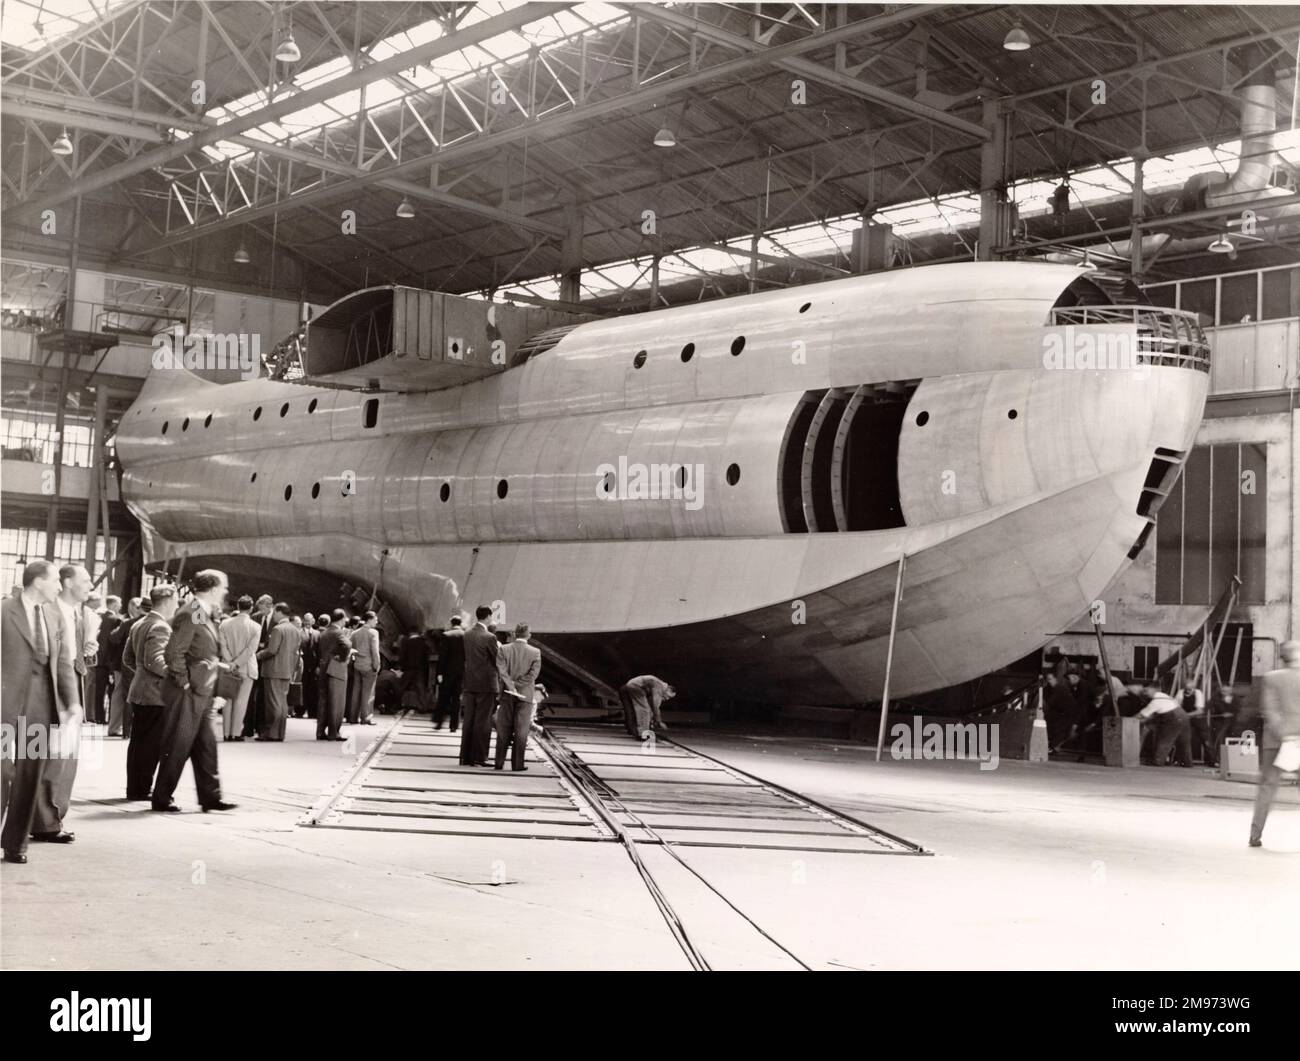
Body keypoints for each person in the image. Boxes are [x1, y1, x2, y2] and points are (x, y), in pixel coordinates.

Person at [2, 561, 80, 864]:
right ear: (37, 582)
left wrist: (71, 701)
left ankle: (15, 844)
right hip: (4, 706)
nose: (60, 587)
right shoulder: (4, 611)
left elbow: (62, 664)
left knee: (29, 776)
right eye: (54, 581)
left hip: (38, 706)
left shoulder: (54, 615)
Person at [151, 570, 237, 813]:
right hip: (187, 693)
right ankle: (162, 798)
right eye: (224, 587)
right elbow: (174, 653)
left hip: (202, 691)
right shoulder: (191, 613)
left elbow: (203, 649)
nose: (226, 592)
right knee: (177, 745)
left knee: (206, 745)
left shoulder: (201, 612)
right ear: (212, 589)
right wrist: (185, 683)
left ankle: (211, 796)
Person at [31, 564, 94, 841]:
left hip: (72, 690)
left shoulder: (78, 615)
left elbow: (71, 659)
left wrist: (88, 654)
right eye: (86, 580)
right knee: (51, 758)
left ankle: (52, 818)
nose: (91, 586)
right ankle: (45, 823)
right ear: (67, 583)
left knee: (67, 759)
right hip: (50, 693)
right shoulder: (47, 611)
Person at [123, 585, 179, 800]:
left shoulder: (139, 623)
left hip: (139, 691)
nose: (176, 606)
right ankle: (142, 789)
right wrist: (174, 677)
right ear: (166, 601)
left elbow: (128, 658)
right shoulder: (160, 627)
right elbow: (155, 660)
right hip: (155, 694)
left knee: (138, 743)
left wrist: (141, 677)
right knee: (151, 745)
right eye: (175, 601)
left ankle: (135, 788)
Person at [1250, 640, 1300, 847]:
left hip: (1275, 740)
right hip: (1299, 740)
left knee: (1267, 787)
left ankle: (1255, 835)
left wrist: (1283, 734)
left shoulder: (1271, 678)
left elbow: (1269, 709)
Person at [495, 622, 542, 771]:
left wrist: (510, 685)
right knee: (521, 730)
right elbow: (533, 675)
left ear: (514, 634)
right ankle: (517, 764)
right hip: (525, 695)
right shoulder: (535, 652)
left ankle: (499, 762)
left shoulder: (504, 649)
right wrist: (518, 685)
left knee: (503, 729)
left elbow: (501, 671)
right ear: (529, 635)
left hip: (507, 694)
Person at [459, 606, 500, 766]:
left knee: (469, 719)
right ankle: (480, 757)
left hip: (470, 683)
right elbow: (497, 660)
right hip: (486, 684)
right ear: (488, 617)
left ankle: (465, 756)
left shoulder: (467, 634)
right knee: (483, 721)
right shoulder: (490, 637)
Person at [256, 602, 303, 741]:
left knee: (272, 703)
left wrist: (258, 655)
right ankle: (280, 733)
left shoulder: (278, 629)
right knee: (282, 703)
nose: (274, 615)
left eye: (275, 612)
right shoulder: (295, 630)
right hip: (287, 670)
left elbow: (272, 650)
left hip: (273, 670)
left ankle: (271, 733)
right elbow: (296, 652)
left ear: (280, 612)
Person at [218, 596, 260, 741]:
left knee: (227, 700)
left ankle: (226, 733)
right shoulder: (255, 627)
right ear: (251, 608)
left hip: (227, 667)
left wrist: (230, 663)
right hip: (246, 668)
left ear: (237, 606)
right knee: (241, 701)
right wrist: (237, 663)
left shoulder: (224, 624)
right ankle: (235, 733)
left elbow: (222, 645)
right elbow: (251, 650)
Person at [106, 597, 144, 737]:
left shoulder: (126, 622)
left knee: (119, 694)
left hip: (122, 665)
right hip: (140, 666)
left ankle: (115, 727)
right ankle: (130, 728)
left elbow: (113, 638)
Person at [242, 594, 275, 738]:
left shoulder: (276, 620)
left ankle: (261, 727)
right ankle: (248, 727)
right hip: (253, 660)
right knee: (250, 695)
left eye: (262, 608)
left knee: (264, 696)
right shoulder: (255, 617)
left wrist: (263, 646)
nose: (259, 611)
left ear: (269, 606)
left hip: (269, 661)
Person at [316, 609, 352, 741]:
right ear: (342, 619)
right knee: (337, 702)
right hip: (336, 669)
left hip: (324, 668)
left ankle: (320, 732)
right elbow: (347, 645)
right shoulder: (338, 632)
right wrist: (342, 658)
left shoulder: (324, 632)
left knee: (323, 701)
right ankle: (334, 732)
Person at [1136, 685, 1193, 767]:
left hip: (1174, 718)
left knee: (1165, 740)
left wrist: (1127, 720)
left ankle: (1158, 761)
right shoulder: (1164, 696)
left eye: (1146, 691)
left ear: (1153, 691)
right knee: (1184, 742)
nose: (1145, 694)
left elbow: (1142, 715)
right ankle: (1188, 762)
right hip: (1184, 716)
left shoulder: (1155, 701)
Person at [90, 596, 123, 725]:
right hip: (110, 660)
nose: (120, 606)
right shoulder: (116, 620)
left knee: (99, 690)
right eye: (119, 604)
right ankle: (110, 719)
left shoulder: (99, 618)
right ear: (114, 605)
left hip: (98, 659)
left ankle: (99, 716)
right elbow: (113, 642)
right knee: (112, 692)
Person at [349, 611, 381, 726]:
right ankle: (365, 717)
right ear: (369, 620)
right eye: (375, 620)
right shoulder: (373, 633)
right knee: (368, 692)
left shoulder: (355, 633)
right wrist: (377, 665)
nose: (376, 622)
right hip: (369, 666)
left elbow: (350, 647)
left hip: (357, 665)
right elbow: (375, 651)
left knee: (356, 691)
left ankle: (353, 717)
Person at [620, 675, 675, 740]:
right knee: (644, 710)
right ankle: (642, 734)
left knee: (645, 710)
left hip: (632, 685)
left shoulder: (658, 685)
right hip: (635, 686)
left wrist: (653, 718)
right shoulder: (659, 686)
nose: (667, 698)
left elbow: (652, 706)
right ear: (668, 689)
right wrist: (659, 721)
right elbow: (655, 706)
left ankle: (638, 731)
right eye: (668, 696)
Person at [435, 616, 465, 731]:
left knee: (443, 697)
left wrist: (439, 673)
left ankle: (439, 723)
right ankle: (454, 726)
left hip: (447, 672)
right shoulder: (465, 635)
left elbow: (443, 656)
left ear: (451, 623)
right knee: (457, 699)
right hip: (461, 672)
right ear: (460, 623)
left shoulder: (446, 635)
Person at [398, 631, 430, 713]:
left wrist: (402, 667)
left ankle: (396, 705)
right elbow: (426, 658)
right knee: (420, 689)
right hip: (419, 669)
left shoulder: (406, 642)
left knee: (402, 687)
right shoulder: (423, 643)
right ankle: (423, 707)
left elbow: (402, 655)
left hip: (408, 668)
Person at [299, 614, 322, 719]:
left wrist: (319, 666)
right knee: (302, 688)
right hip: (302, 665)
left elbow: (320, 652)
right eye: (305, 620)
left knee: (313, 689)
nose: (307, 622)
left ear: (313, 621)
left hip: (314, 667)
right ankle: (299, 710)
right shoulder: (299, 633)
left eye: (309, 620)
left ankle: (313, 712)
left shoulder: (318, 634)